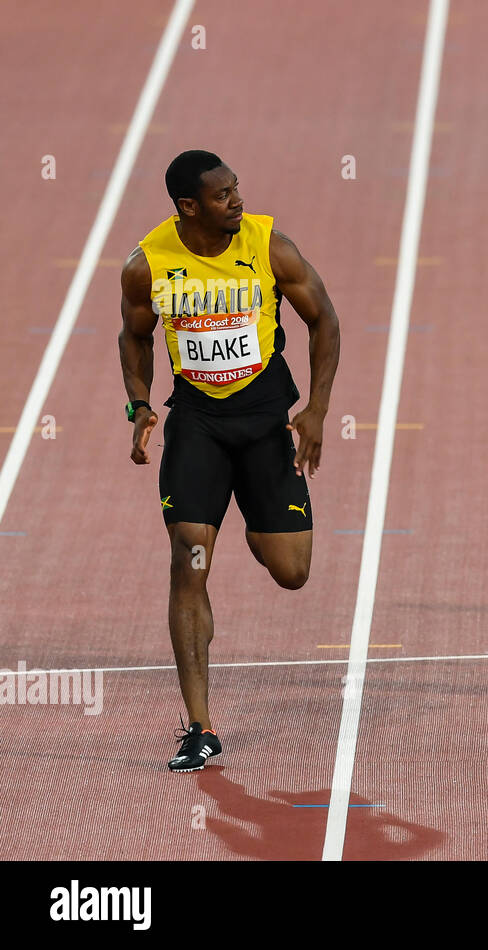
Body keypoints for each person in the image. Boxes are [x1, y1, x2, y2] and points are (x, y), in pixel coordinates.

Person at [118, 150, 341, 768]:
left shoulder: (270, 247)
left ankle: (252, 520)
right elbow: (134, 334)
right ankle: (200, 726)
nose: (237, 202)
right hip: (198, 429)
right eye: (222, 196)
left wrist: (316, 411)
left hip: (266, 425)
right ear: (189, 207)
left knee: (291, 570)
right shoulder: (149, 265)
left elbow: (325, 321)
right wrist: (138, 406)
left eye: (237, 189)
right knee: (189, 560)